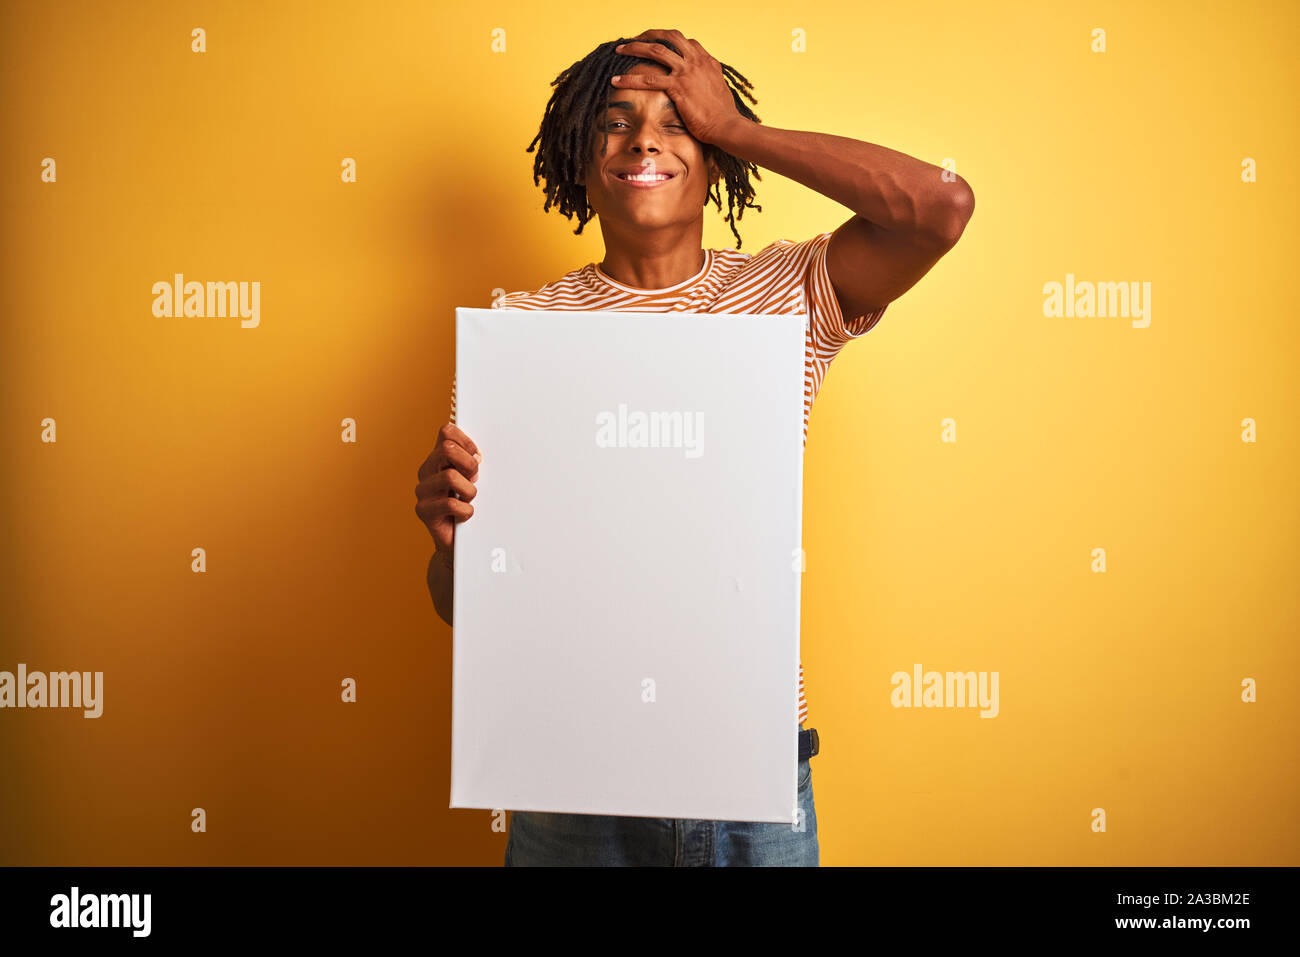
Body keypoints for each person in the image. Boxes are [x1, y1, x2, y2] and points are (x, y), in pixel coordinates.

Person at [414, 29, 975, 866]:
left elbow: (942, 206)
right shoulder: (518, 334)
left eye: (678, 121)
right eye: (614, 121)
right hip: (574, 782)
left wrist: (742, 129)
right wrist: (455, 547)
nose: (645, 139)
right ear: (576, 157)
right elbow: (466, 605)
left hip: (751, 777)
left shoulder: (786, 294)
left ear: (714, 158)